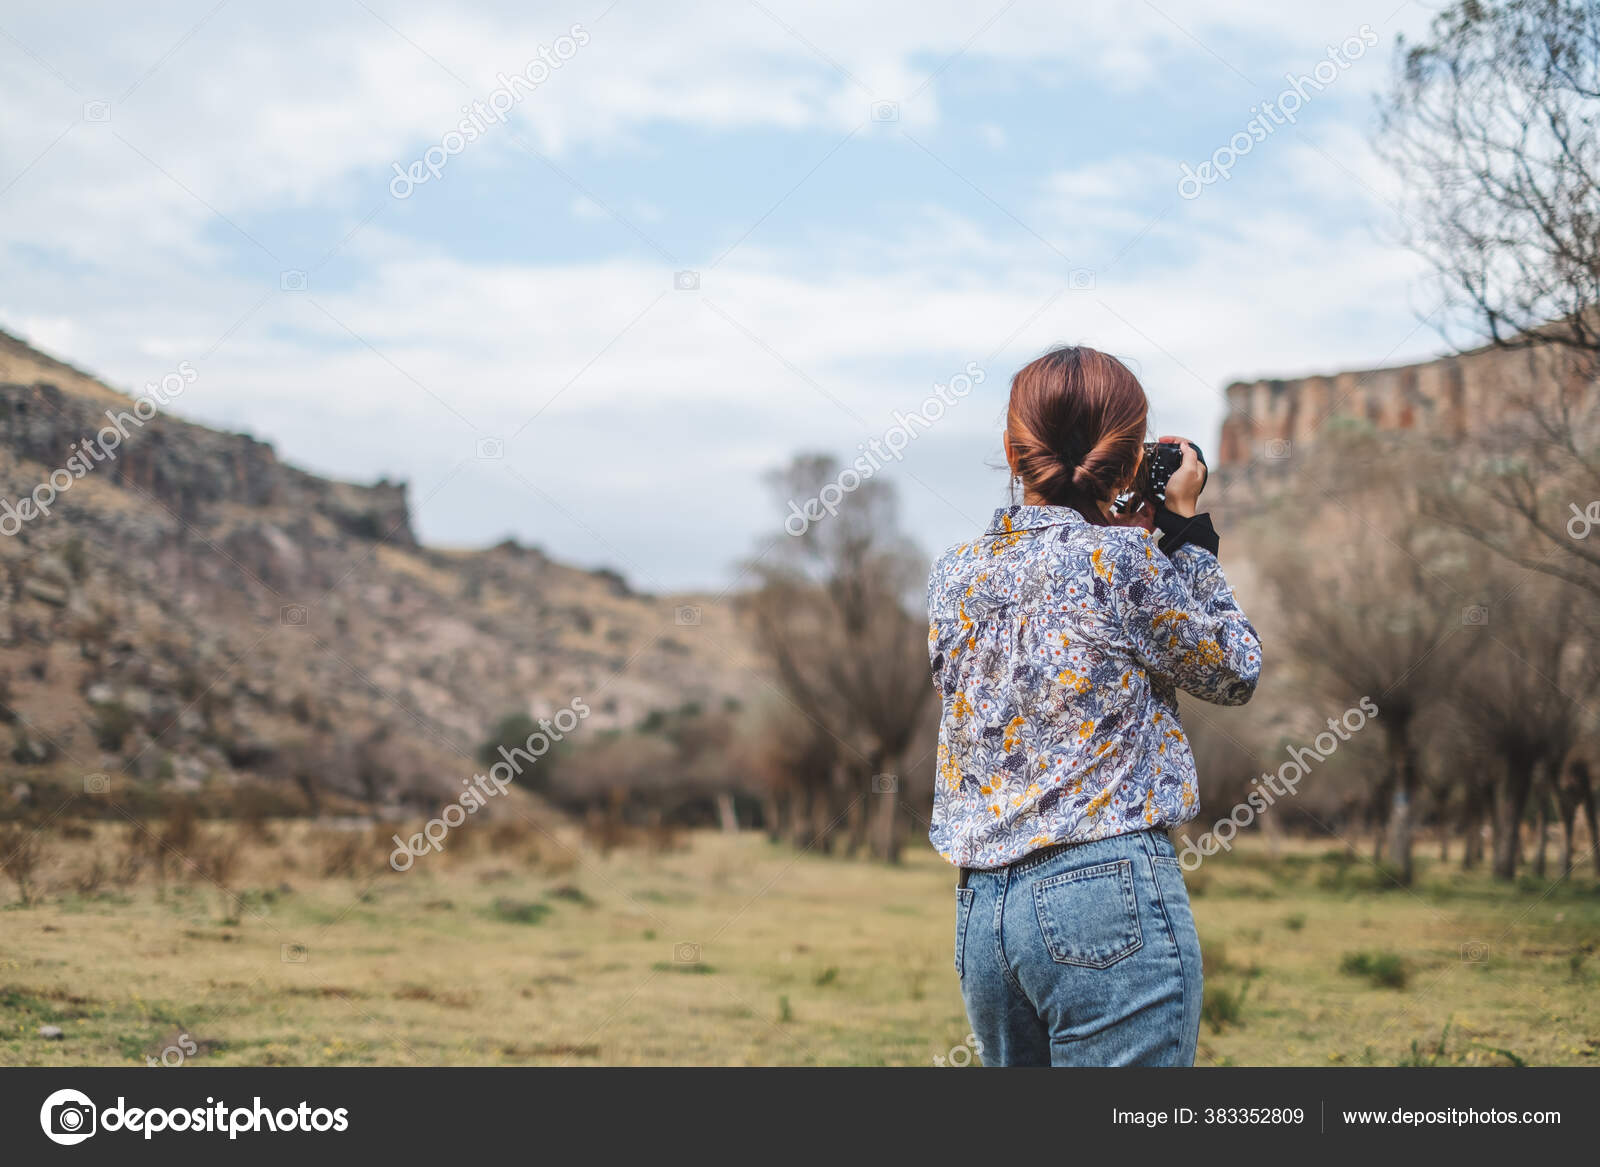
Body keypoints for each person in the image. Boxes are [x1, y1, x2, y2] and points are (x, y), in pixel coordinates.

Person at [927, 345, 1261, 1066]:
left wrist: (1121, 531)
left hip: (985, 909)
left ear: (1014, 452)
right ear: (1130, 455)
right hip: (1104, 892)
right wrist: (1187, 528)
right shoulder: (1124, 565)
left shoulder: (954, 575)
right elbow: (1235, 669)